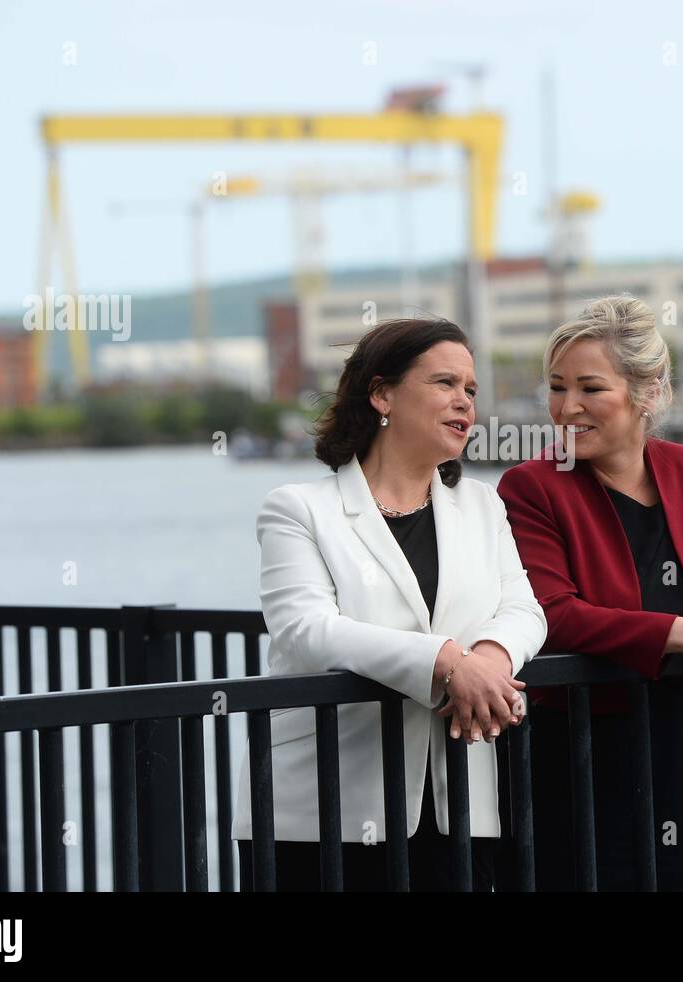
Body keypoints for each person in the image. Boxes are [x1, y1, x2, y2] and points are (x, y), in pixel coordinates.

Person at [231, 317, 546, 891]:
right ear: (381, 395)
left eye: (471, 390)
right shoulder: (299, 509)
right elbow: (307, 629)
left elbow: (525, 609)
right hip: (324, 813)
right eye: (445, 383)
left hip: (459, 809)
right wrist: (448, 662)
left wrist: (490, 663)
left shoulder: (480, 504)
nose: (464, 402)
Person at [495, 296, 683, 891]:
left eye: (589, 388)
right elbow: (555, 615)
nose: (566, 407)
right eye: (556, 387)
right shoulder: (531, 487)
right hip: (572, 747)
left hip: (675, 738)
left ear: (646, 393)